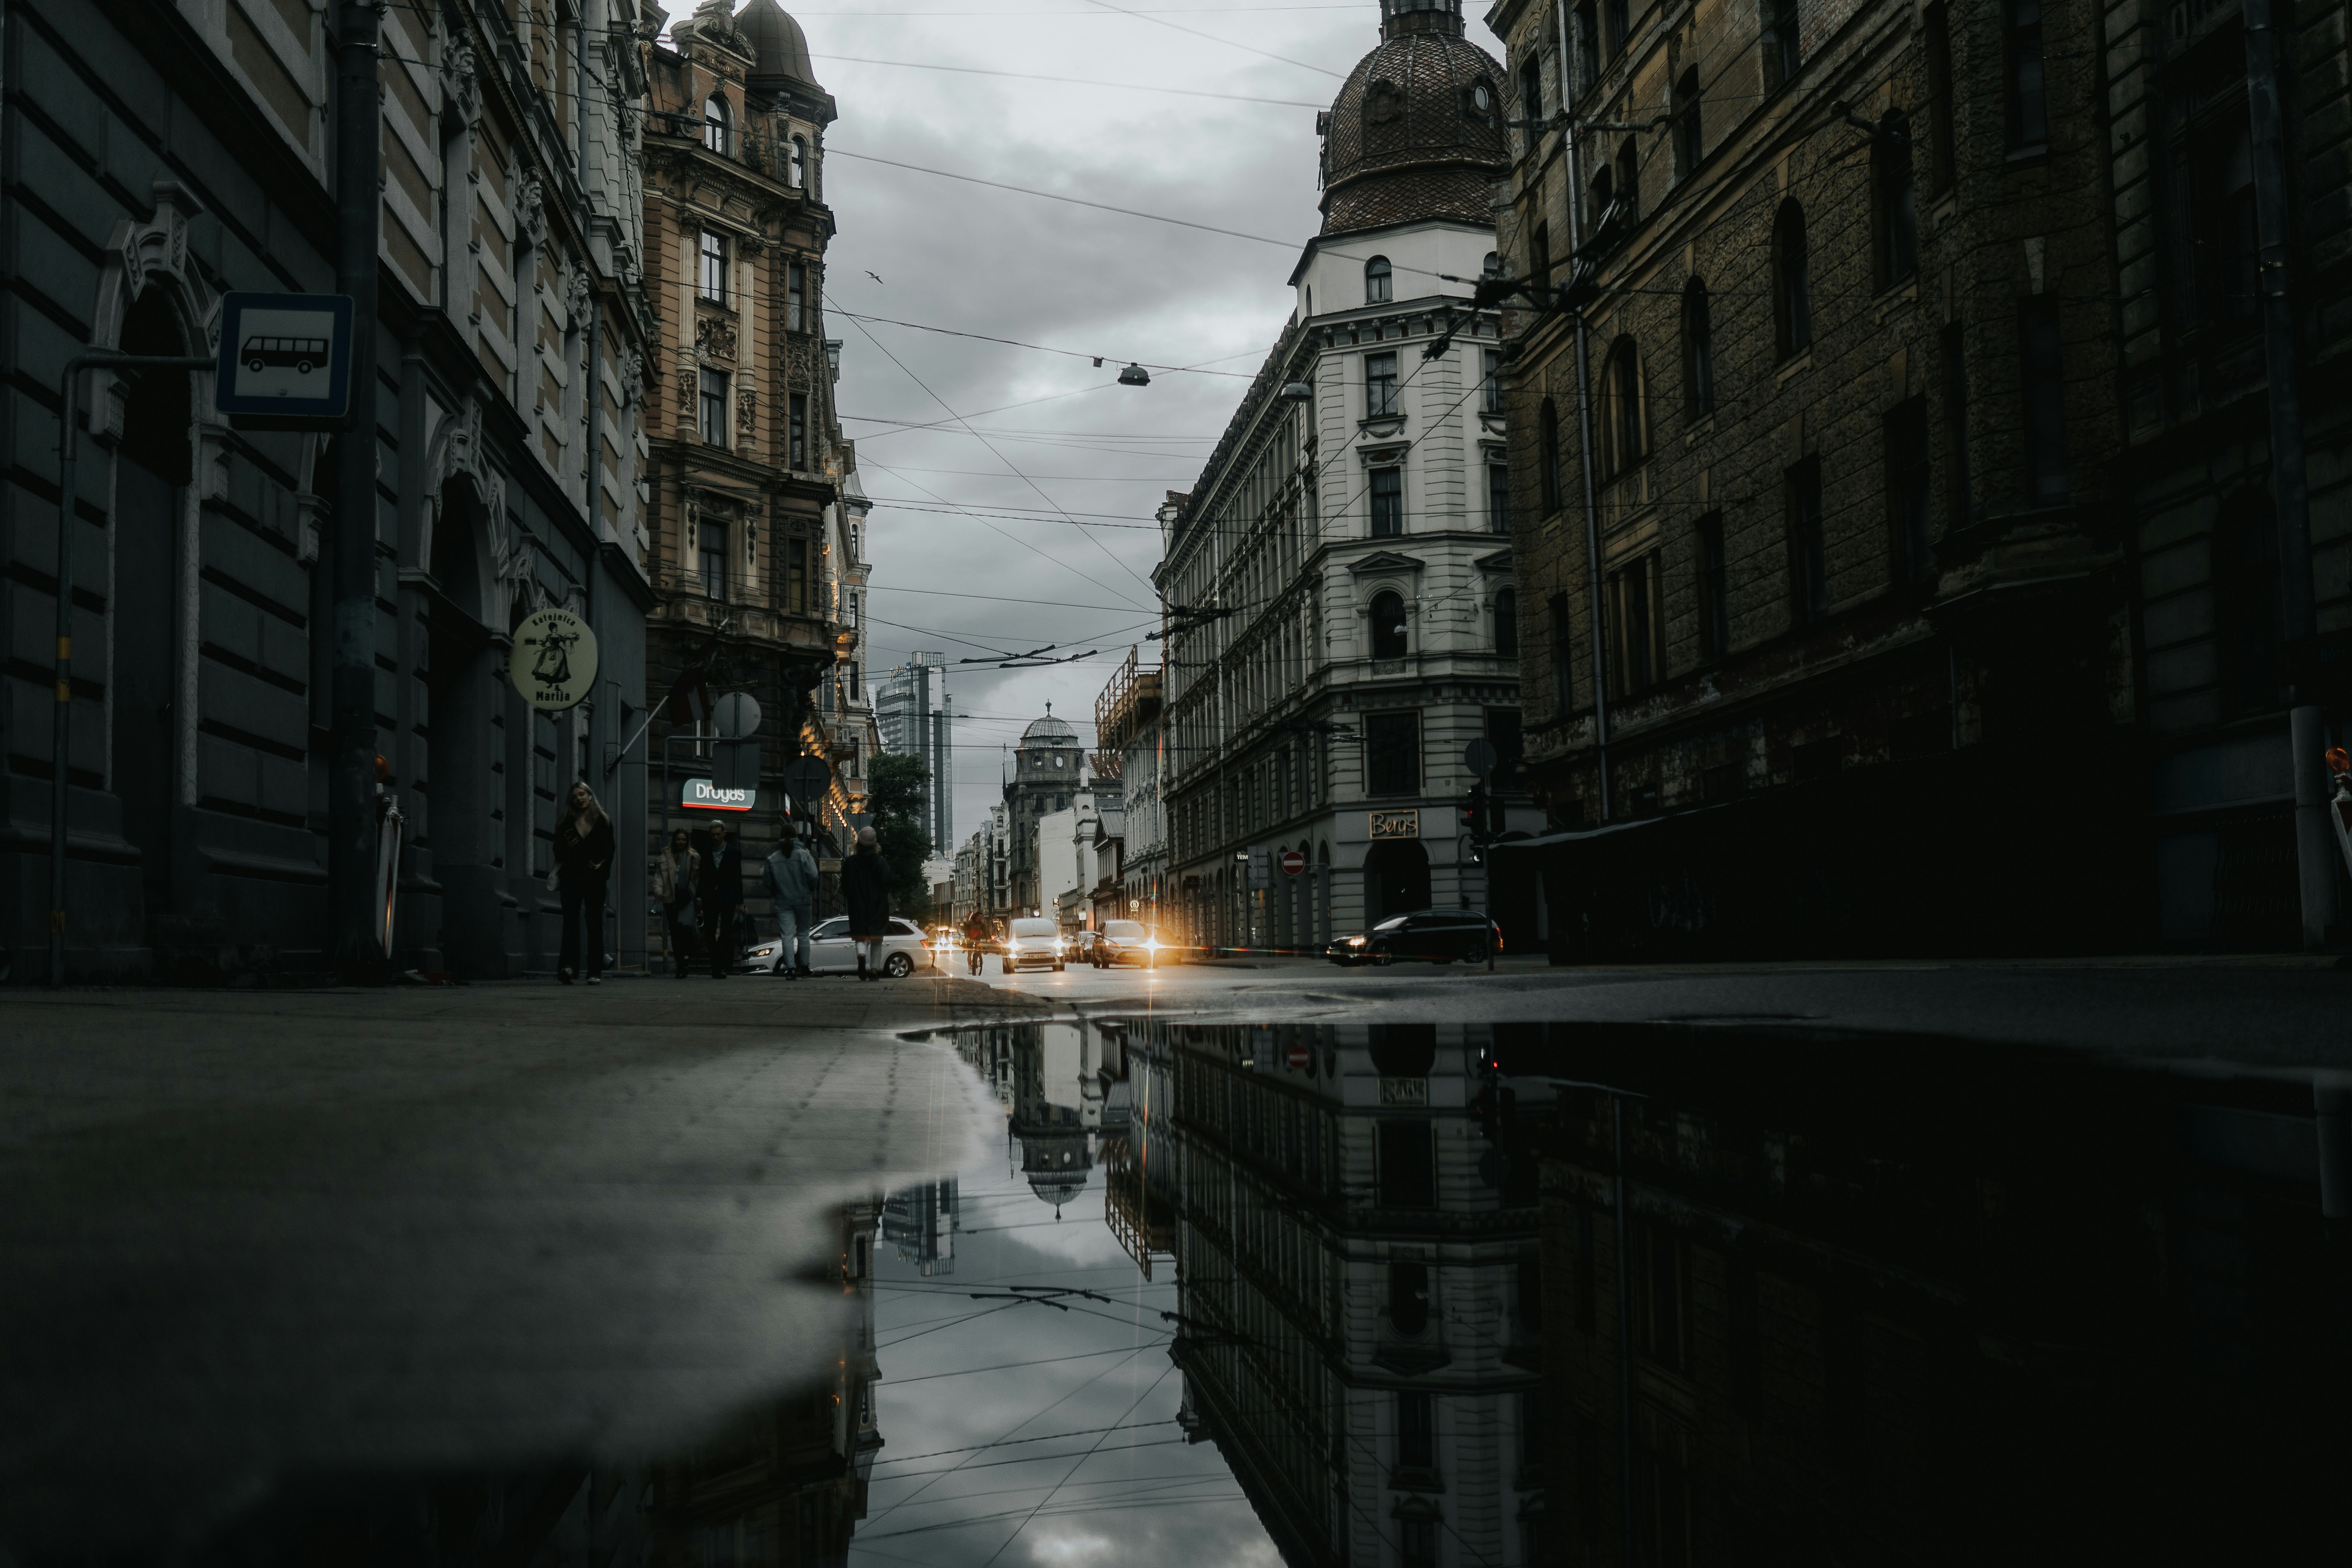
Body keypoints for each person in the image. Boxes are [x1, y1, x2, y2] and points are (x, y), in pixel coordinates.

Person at [553, 781, 615, 985]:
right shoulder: (566, 822)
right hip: (571, 877)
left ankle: (594, 971)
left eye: (581, 794)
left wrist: (603, 865)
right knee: (570, 922)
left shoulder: (603, 821)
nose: (578, 799)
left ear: (590, 796)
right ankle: (568, 967)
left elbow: (610, 850)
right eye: (574, 797)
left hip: (594, 878)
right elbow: (557, 850)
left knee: (594, 923)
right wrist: (566, 846)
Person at [762, 821, 821, 979]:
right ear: (797, 836)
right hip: (803, 900)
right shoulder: (804, 855)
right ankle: (806, 967)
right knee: (803, 934)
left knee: (787, 936)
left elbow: (768, 882)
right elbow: (814, 876)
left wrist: (777, 892)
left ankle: (790, 969)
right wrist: (809, 891)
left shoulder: (773, 858)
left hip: (783, 902)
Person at [841, 824, 892, 981]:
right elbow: (888, 881)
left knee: (861, 937)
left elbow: (845, 885)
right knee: (877, 939)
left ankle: (862, 956)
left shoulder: (851, 862)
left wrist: (851, 898)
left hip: (858, 905)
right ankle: (874, 971)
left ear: (858, 844)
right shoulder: (881, 862)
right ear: (875, 844)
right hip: (878, 906)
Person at [653, 828, 699, 980]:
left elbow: (698, 878)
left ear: (687, 841)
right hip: (671, 898)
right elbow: (659, 876)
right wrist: (658, 891)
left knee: (686, 931)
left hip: (688, 898)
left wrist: (699, 898)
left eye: (684, 840)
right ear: (674, 840)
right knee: (675, 933)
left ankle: (686, 960)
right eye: (679, 839)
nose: (681, 842)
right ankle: (680, 963)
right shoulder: (666, 855)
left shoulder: (693, 856)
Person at [701, 818, 744, 978]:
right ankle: (716, 967)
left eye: (718, 834)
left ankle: (721, 966)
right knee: (710, 932)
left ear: (724, 834)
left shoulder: (734, 853)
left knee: (725, 932)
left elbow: (738, 878)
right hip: (710, 897)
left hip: (728, 897)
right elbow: (701, 877)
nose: (716, 838)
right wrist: (699, 897)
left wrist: (740, 903)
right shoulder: (705, 852)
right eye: (713, 835)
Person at [961, 909, 990, 976]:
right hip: (970, 939)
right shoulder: (970, 923)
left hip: (977, 939)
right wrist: (967, 937)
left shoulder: (982, 924)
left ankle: (980, 958)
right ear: (977, 917)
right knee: (970, 953)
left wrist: (988, 939)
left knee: (980, 948)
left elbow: (985, 931)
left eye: (982, 917)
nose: (982, 918)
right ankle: (970, 969)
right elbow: (966, 930)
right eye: (981, 917)